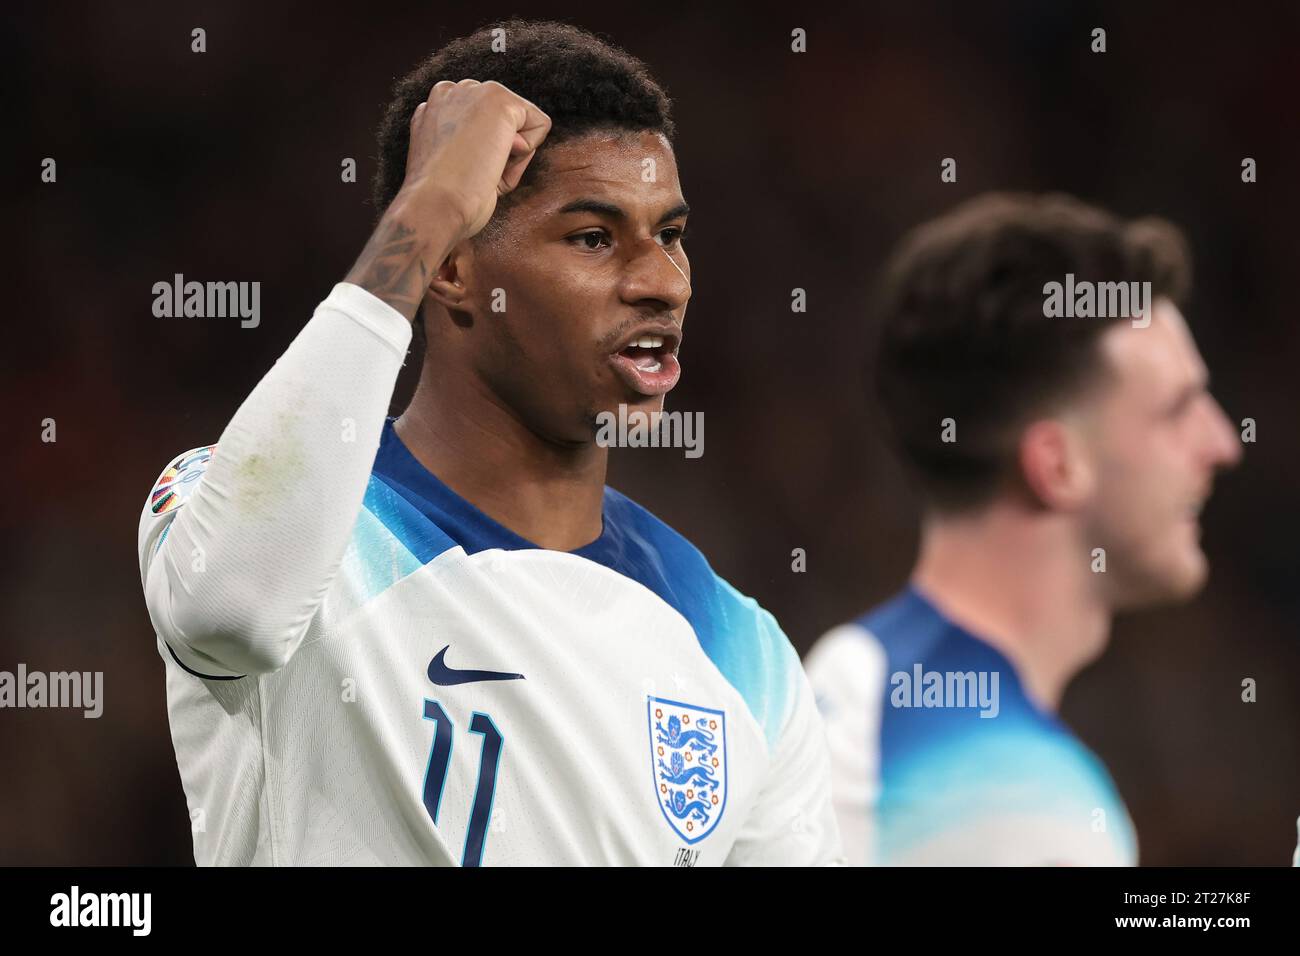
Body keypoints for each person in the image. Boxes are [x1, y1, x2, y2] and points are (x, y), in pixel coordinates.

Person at [138, 20, 841, 866]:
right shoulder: (262, 519)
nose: (661, 283)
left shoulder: (741, 650)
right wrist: (427, 210)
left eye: (672, 235)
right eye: (593, 237)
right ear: (452, 268)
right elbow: (235, 612)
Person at [806, 193, 1241, 865]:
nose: (1222, 443)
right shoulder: (1031, 807)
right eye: (1178, 408)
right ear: (1058, 465)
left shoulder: (845, 673)